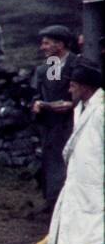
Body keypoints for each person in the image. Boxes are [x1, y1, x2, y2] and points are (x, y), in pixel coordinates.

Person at [46, 62, 104, 244]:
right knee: (83, 232)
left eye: (72, 86)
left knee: (95, 232)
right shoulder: (84, 107)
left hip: (97, 182)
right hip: (82, 181)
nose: (69, 91)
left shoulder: (101, 110)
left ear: (85, 87)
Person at [31, 24, 80, 210]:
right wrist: (37, 103)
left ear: (59, 45)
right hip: (51, 126)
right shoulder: (49, 67)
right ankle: (54, 200)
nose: (42, 47)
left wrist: (72, 104)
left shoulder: (77, 64)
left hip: (71, 124)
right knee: (52, 162)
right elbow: (46, 93)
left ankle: (68, 203)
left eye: (46, 43)